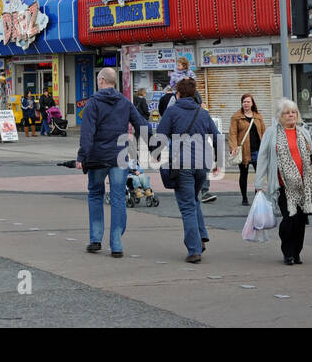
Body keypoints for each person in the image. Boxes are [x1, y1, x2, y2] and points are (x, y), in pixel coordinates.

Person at [76, 67, 148, 257]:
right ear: (113, 82)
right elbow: (141, 124)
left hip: (98, 157)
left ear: (101, 81)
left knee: (95, 194)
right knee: (118, 198)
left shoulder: (93, 103)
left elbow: (87, 133)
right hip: (119, 157)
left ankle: (95, 239)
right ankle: (116, 244)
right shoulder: (125, 102)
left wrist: (82, 156)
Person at [154, 78, 220, 263]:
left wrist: (156, 154)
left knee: (187, 206)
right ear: (194, 94)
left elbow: (160, 134)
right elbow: (216, 137)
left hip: (182, 165)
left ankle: (194, 250)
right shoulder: (202, 113)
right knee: (194, 198)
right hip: (201, 165)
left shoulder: (172, 111)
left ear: (179, 94)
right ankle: (201, 236)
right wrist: (218, 161)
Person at [253, 99, 312, 265]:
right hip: (282, 185)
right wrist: (259, 183)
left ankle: (296, 252)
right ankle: (287, 251)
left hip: (304, 185)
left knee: (300, 221)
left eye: (293, 112)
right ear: (280, 116)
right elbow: (263, 158)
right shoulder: (271, 133)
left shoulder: (303, 132)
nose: (291, 115)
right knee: (289, 219)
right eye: (287, 112)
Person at [228, 94, 265, 206]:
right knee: (243, 174)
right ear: (241, 103)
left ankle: (257, 197)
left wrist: (267, 147)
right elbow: (232, 133)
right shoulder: (236, 117)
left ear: (252, 103)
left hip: (258, 150)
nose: (246, 104)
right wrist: (233, 147)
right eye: (244, 102)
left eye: (248, 102)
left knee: (259, 175)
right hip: (244, 151)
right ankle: (244, 198)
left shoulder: (258, 117)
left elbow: (264, 132)